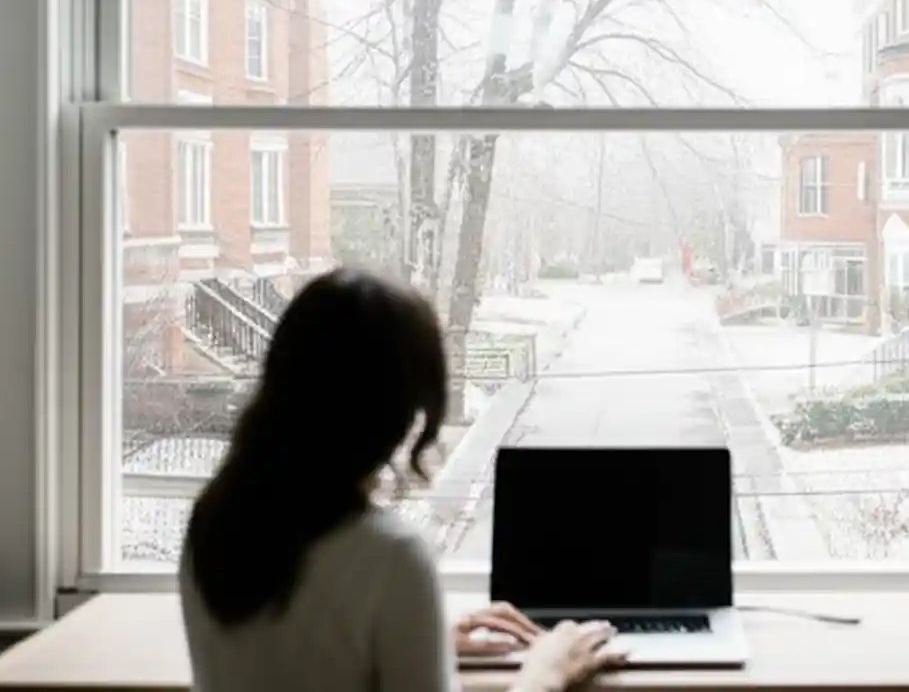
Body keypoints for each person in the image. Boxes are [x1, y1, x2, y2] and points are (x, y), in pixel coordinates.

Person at [180, 268, 624, 692]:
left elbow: (290, 658)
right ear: (395, 415)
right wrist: (545, 670)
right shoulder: (391, 559)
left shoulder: (213, 524)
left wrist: (415, 641)